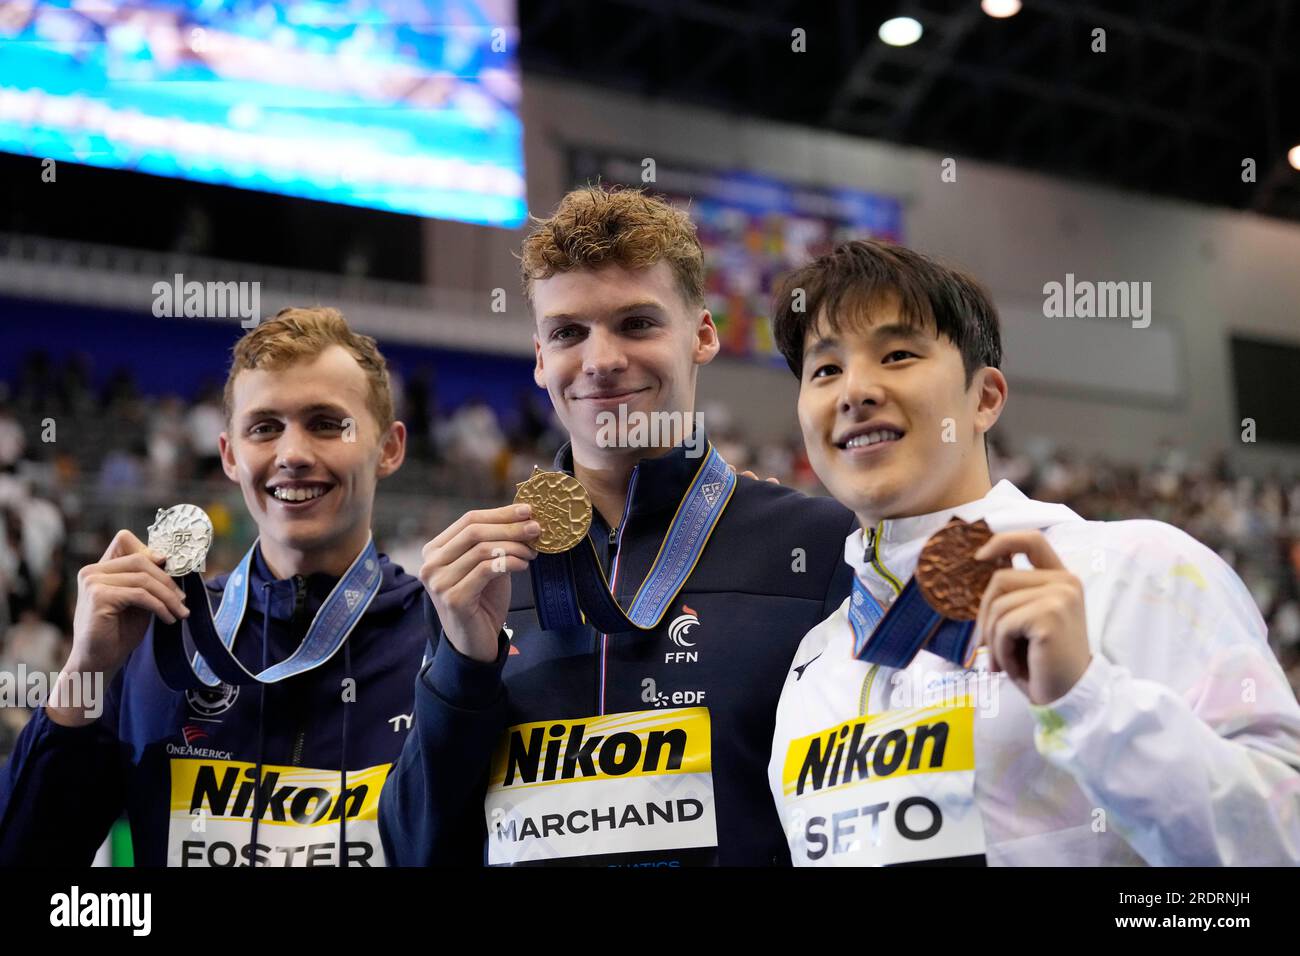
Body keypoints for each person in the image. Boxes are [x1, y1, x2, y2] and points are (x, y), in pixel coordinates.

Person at [766, 239, 1300, 865]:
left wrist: (1087, 695)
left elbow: (1280, 839)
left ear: (985, 398)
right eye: (825, 369)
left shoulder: (1139, 571)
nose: (855, 390)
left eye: (898, 354)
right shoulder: (817, 659)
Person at [380, 186, 857, 866]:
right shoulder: (479, 573)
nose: (601, 360)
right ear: (541, 358)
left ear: (702, 334)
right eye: (569, 332)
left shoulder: (817, 547)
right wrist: (462, 668)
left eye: (636, 324)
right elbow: (414, 853)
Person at [0, 308, 428, 867]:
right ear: (230, 455)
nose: (292, 455)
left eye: (326, 423)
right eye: (264, 427)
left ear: (389, 448)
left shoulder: (443, 641)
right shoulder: (153, 637)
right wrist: (84, 672)